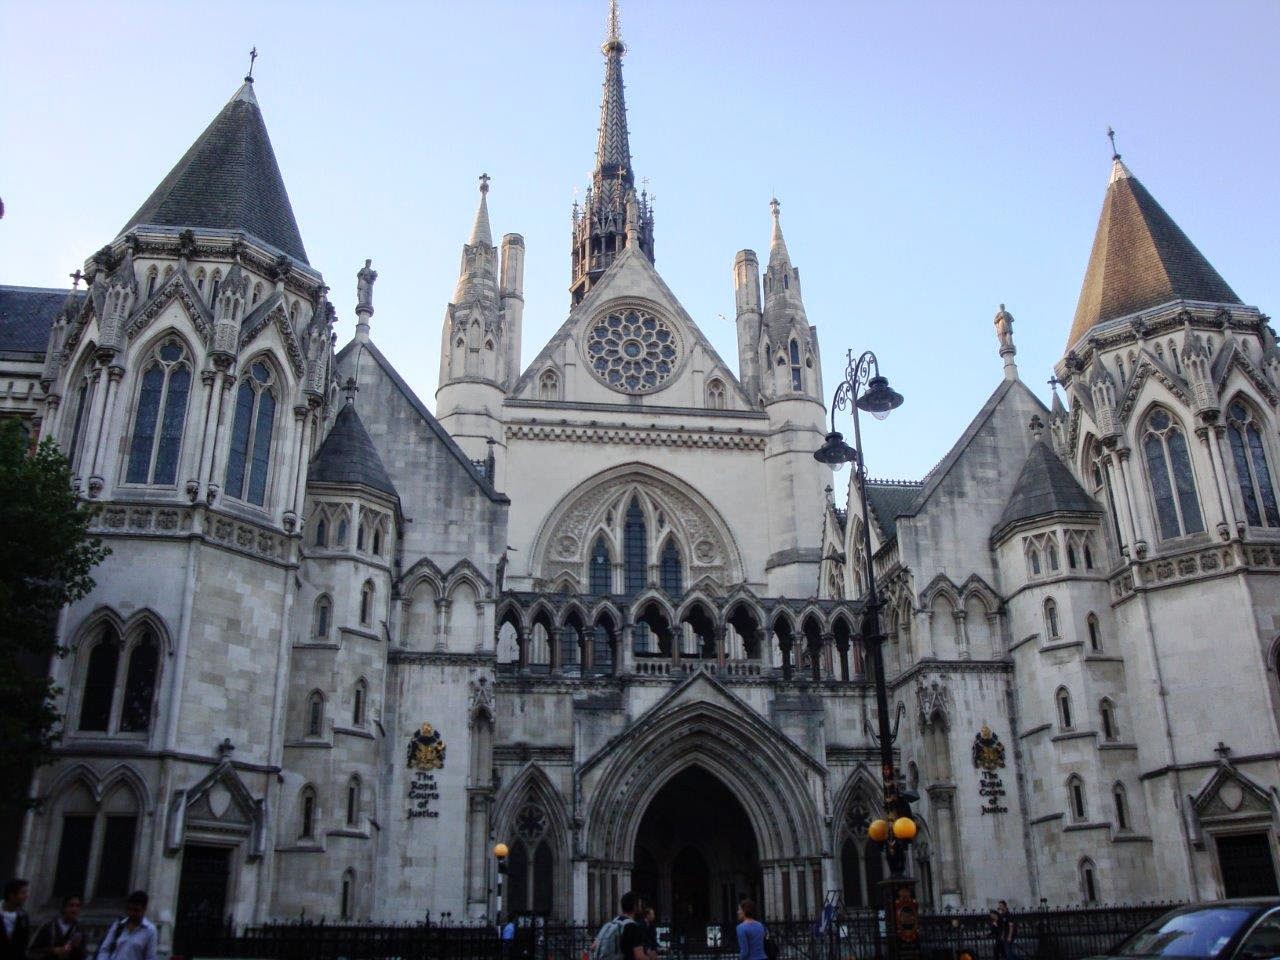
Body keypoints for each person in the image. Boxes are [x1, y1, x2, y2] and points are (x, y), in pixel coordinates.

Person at [94, 891, 156, 960]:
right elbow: (105, 949)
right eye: (129, 909)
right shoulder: (119, 925)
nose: (132, 913)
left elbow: (150, 957)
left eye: (136, 910)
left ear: (144, 910)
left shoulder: (150, 931)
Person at [588, 891, 645, 960]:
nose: (641, 905)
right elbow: (639, 957)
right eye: (640, 903)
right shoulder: (633, 927)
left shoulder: (612, 923)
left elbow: (593, 946)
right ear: (635, 906)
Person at [28, 896, 85, 960]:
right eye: (71, 905)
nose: (74, 909)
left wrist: (76, 947)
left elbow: (82, 956)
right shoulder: (48, 926)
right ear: (64, 908)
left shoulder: (80, 930)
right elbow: (32, 951)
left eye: (77, 906)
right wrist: (53, 951)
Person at [0, 879, 29, 960]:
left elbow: (23, 945)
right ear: (11, 895)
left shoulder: (23, 916)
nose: (26, 896)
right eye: (23, 893)